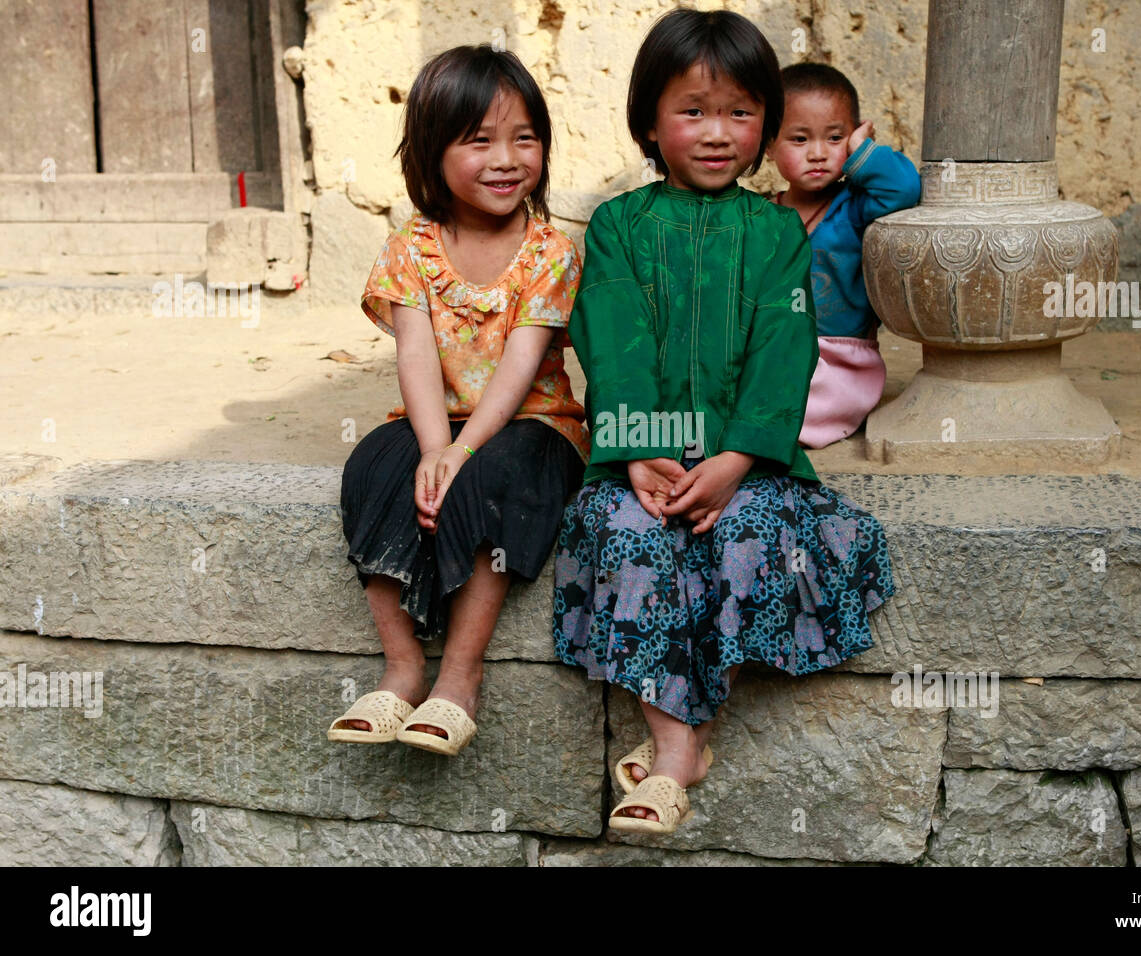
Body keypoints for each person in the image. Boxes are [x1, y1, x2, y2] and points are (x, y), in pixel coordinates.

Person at [552, 8, 896, 834]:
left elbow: (786, 347)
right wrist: (639, 455)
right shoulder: (618, 228)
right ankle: (681, 746)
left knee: (751, 535)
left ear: (766, 128)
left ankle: (677, 747)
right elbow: (613, 342)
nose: (717, 134)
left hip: (751, 460)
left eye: (741, 113)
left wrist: (740, 456)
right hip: (642, 460)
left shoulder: (776, 231)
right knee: (631, 535)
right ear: (648, 122)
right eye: (693, 111)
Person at [330, 45, 588, 757]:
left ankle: (459, 679)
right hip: (436, 422)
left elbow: (520, 363)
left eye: (523, 138)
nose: (506, 159)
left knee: (491, 481)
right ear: (431, 152)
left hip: (535, 426)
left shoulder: (550, 253)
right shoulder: (412, 246)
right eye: (479, 140)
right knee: (376, 467)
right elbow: (413, 352)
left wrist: (460, 451)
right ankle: (402, 667)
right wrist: (429, 446)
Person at [768, 63, 921, 448]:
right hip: (773, 352)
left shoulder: (853, 208)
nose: (818, 154)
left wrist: (862, 152)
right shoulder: (762, 214)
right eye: (799, 140)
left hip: (838, 363)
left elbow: (902, 188)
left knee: (787, 414)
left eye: (834, 138)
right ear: (769, 144)